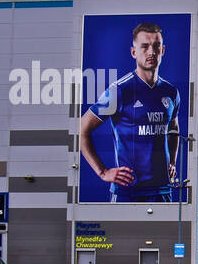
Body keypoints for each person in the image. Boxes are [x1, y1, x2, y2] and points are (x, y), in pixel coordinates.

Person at [78, 23, 182, 202]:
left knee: (166, 231)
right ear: (134, 52)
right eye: (144, 47)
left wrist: (171, 162)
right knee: (124, 232)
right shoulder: (119, 90)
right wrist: (103, 172)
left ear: (163, 50)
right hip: (128, 192)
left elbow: (173, 130)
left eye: (156, 46)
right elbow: (82, 128)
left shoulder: (171, 92)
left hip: (162, 190)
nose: (151, 52)